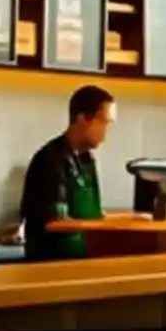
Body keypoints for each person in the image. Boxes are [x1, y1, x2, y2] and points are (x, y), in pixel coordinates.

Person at [20, 85, 116, 260]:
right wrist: (95, 228)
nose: (105, 134)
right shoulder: (50, 159)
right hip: (52, 266)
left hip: (84, 264)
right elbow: (54, 222)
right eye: (104, 122)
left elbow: (92, 214)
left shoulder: (87, 161)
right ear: (82, 119)